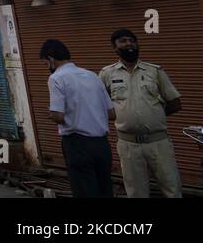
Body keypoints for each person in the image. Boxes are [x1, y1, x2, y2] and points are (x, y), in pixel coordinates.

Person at [99, 28, 183, 198]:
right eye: (123, 41)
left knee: (172, 189)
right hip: (128, 145)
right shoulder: (106, 74)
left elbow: (175, 103)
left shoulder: (155, 71)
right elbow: (99, 105)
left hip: (158, 142)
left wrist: (153, 114)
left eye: (132, 40)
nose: (129, 44)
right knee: (136, 193)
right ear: (114, 48)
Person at [40, 38, 114, 197]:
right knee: (105, 189)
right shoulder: (92, 75)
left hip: (77, 145)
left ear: (51, 59)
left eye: (46, 64)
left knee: (85, 191)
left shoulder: (56, 78)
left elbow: (58, 116)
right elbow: (111, 114)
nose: (47, 68)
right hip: (102, 145)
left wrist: (51, 114)